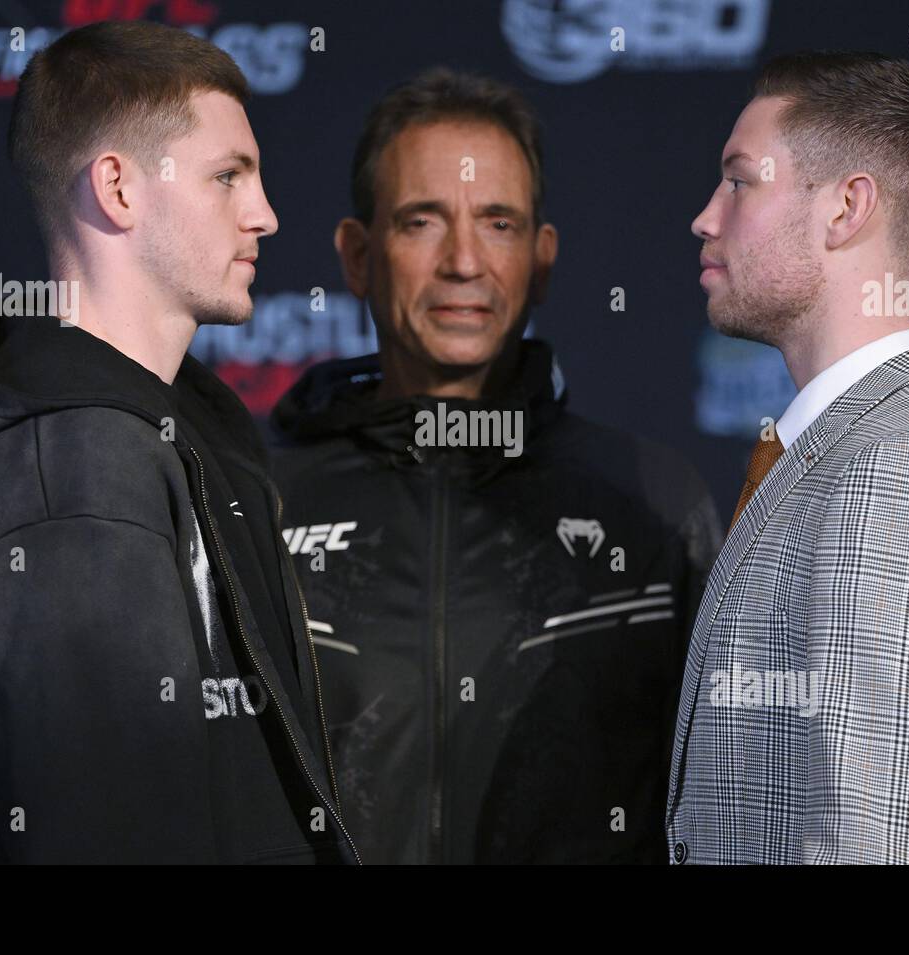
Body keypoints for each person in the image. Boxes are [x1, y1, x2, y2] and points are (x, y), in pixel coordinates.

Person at [0, 20, 358, 863]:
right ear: (118, 187)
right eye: (228, 177)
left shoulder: (159, 438)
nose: (267, 214)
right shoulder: (68, 472)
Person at [269, 69, 720, 863]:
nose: (464, 261)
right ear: (358, 256)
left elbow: (720, 799)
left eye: (499, 223)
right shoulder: (258, 500)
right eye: (421, 221)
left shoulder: (651, 501)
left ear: (542, 259)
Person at [667, 52, 909, 864]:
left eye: (740, 181)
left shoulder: (905, 473)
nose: (706, 217)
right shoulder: (861, 450)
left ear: (846, 209)